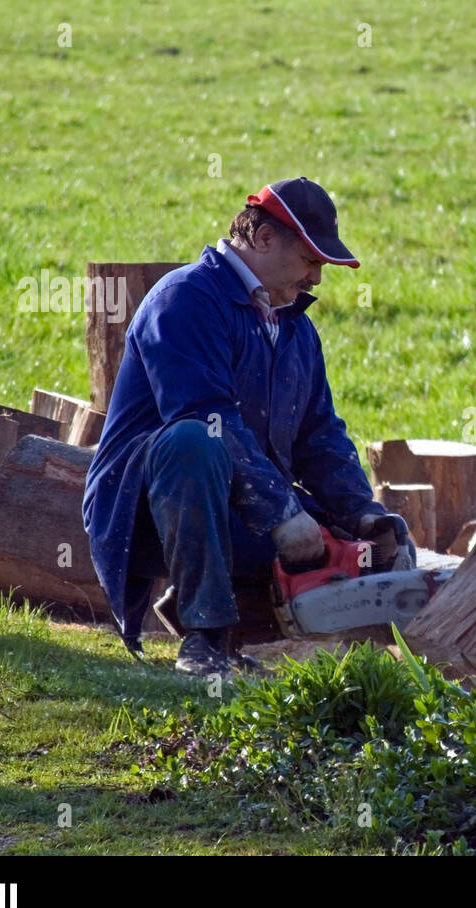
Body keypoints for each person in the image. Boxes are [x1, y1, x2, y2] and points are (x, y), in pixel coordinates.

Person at [82, 177, 411, 675]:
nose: (317, 278)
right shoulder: (186, 298)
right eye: (311, 260)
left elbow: (319, 435)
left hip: (237, 496)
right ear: (262, 239)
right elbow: (203, 415)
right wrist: (280, 511)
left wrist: (363, 514)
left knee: (347, 537)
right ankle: (203, 641)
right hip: (144, 507)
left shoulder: (296, 329)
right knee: (195, 440)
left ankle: (237, 636)